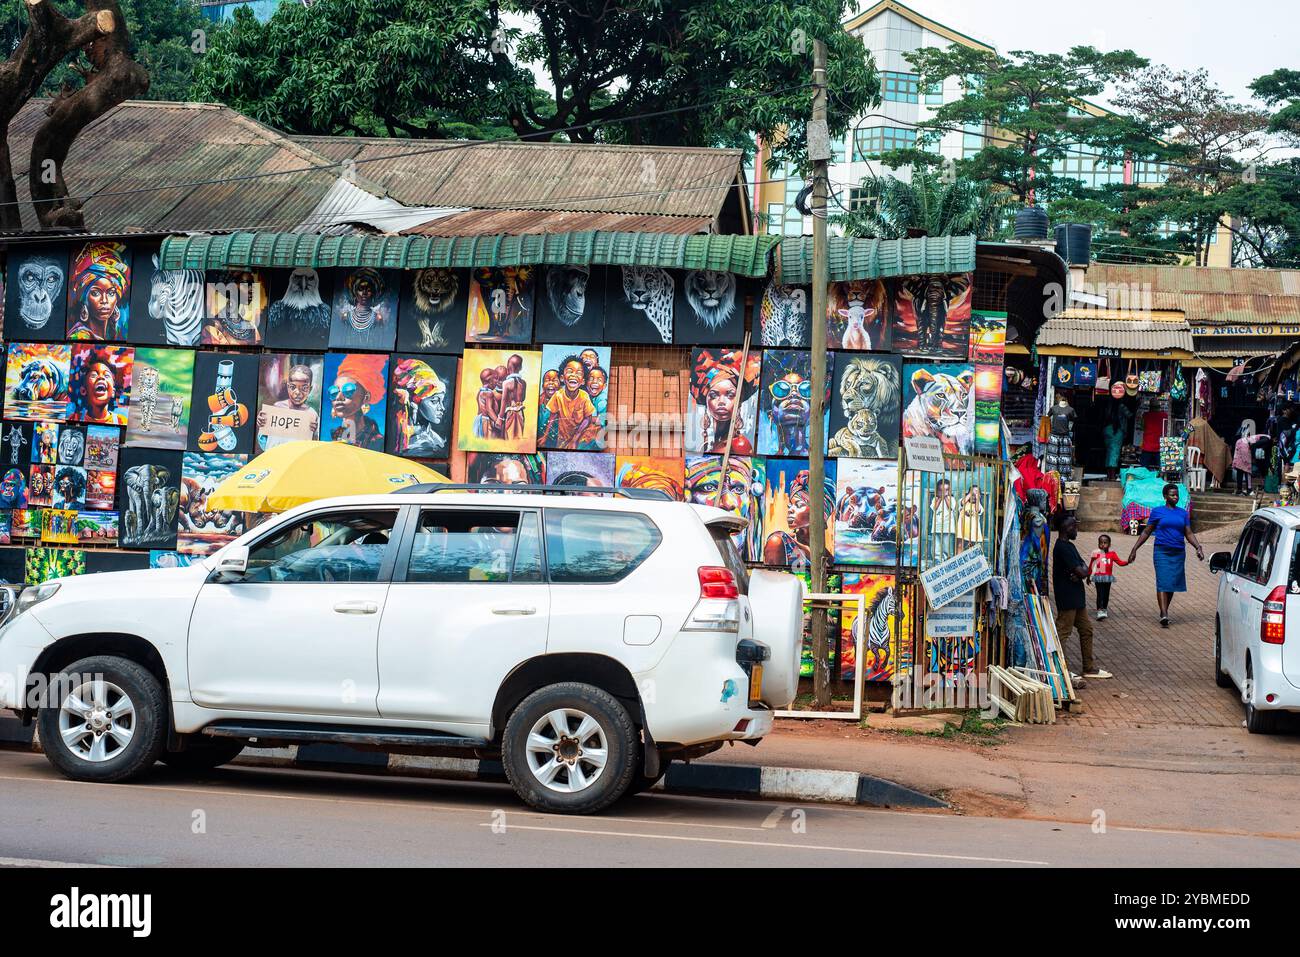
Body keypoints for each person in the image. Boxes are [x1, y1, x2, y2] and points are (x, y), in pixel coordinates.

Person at [1127, 482, 1204, 628]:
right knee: (1163, 581)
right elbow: (1146, 531)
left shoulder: (1183, 513)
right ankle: (1164, 614)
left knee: (1172, 583)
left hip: (1178, 552)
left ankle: (1165, 611)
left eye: (1177, 495)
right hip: (1162, 551)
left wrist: (1198, 547)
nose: (1175, 497)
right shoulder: (1157, 512)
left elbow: (1188, 533)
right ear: (1165, 496)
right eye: (1172, 495)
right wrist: (1134, 549)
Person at [1053, 516, 1111, 686]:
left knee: (1086, 629)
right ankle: (1061, 669)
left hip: (1077, 597)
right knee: (1063, 632)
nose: (1077, 530)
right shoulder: (1062, 548)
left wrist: (1082, 571)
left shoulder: (1069, 546)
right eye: (1075, 527)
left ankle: (1089, 667)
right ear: (1068, 528)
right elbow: (1082, 571)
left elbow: (1084, 567)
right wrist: (1082, 571)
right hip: (1067, 597)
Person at [1086, 533, 1128, 620]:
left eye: (1105, 543)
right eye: (1101, 543)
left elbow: (1120, 563)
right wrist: (1088, 576)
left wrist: (1128, 562)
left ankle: (1104, 609)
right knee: (1100, 594)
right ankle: (1099, 611)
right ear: (1098, 544)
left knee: (1106, 594)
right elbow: (1091, 565)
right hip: (1098, 577)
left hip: (1108, 578)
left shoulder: (1112, 554)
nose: (1103, 545)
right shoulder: (1096, 554)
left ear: (1109, 544)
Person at [1232, 428, 1266, 495]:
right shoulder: (1250, 440)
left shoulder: (1238, 441)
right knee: (1248, 475)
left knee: (1240, 474)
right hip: (1245, 461)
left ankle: (1239, 490)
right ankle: (1249, 490)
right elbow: (1247, 452)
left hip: (1238, 461)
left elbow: (1235, 452)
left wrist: (1235, 461)